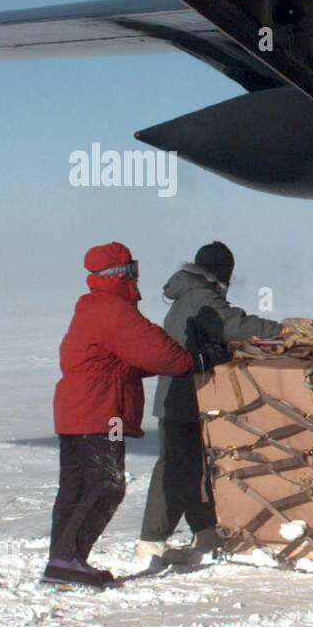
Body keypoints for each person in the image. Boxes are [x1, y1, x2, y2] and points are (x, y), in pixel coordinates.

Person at [48, 243, 227, 587]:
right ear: (121, 273)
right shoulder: (114, 310)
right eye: (132, 269)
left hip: (75, 411)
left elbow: (126, 359)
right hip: (102, 414)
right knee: (105, 484)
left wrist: (180, 361)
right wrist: (195, 361)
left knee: (76, 486)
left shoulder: (91, 307)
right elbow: (154, 349)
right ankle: (68, 561)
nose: (137, 276)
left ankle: (62, 559)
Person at [138, 242, 283, 573]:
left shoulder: (189, 293)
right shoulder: (203, 297)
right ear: (222, 273)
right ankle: (150, 542)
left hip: (178, 395)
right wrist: (282, 330)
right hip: (184, 396)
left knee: (192, 467)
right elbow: (235, 325)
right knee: (175, 468)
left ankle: (204, 534)